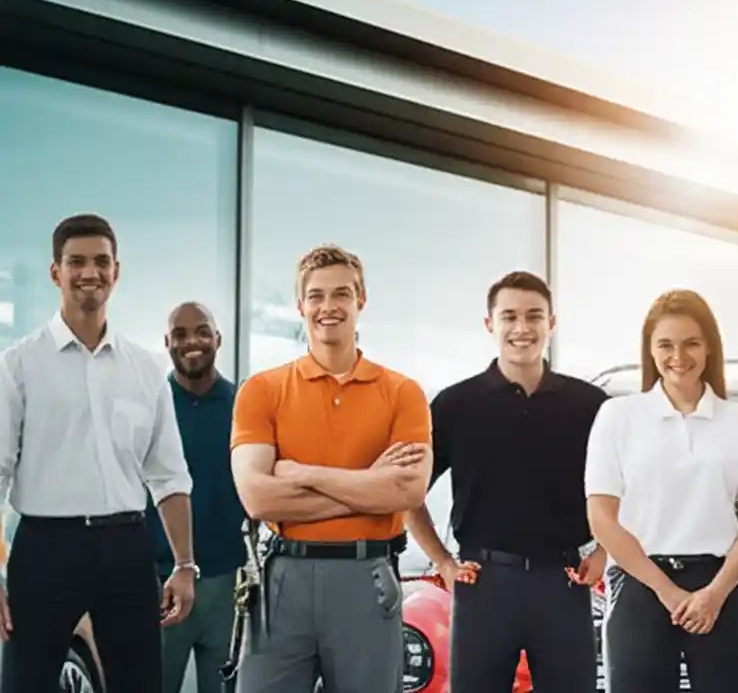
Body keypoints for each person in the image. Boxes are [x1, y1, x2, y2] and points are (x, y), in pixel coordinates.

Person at [0, 213, 196, 693]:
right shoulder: (17, 365)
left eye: (101, 261)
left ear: (117, 270)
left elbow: (169, 476)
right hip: (45, 549)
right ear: (55, 272)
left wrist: (185, 565)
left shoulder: (146, 370)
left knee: (140, 685)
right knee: (24, 684)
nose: (91, 272)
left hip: (127, 548)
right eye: (77, 262)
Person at [229, 244, 432, 693]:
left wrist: (304, 473)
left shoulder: (403, 393)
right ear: (301, 306)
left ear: (361, 301)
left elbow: (407, 492)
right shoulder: (261, 391)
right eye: (316, 296)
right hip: (284, 581)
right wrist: (368, 483)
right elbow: (258, 497)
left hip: (368, 579)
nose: (328, 307)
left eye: (341, 294)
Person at [405, 271, 608, 692]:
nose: (522, 328)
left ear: (551, 323)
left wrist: (604, 552)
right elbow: (407, 494)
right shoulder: (455, 404)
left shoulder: (590, 406)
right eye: (509, 316)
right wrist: (443, 561)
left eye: (534, 316)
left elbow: (630, 488)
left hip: (564, 582)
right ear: (489, 324)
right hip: (483, 584)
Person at [584, 289, 738, 692]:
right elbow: (602, 519)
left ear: (709, 349)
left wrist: (715, 594)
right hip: (640, 582)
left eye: (691, 344)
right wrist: (666, 591)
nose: (678, 357)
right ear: (650, 350)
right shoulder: (618, 416)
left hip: (722, 582)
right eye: (665, 345)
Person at [144, 302, 246, 693]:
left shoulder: (244, 408)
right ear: (167, 342)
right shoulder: (150, 406)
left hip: (226, 583)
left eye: (202, 331)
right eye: (180, 334)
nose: (192, 342)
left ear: (217, 339)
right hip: (158, 581)